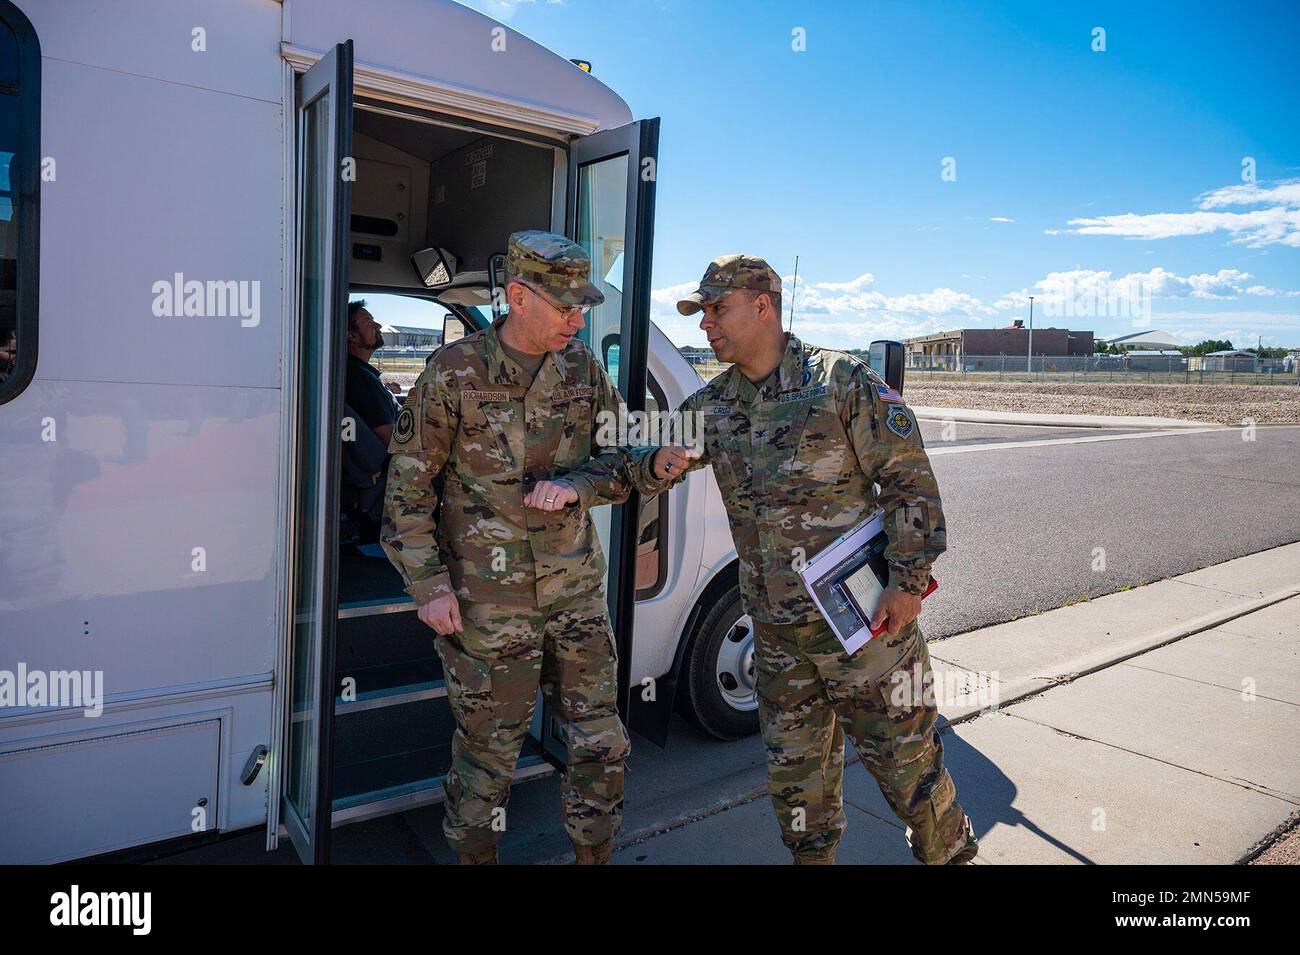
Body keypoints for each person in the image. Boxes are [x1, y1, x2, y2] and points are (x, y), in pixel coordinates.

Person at [632, 254, 978, 865]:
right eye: (701, 312)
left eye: (717, 309)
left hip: (867, 628)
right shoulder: (716, 405)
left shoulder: (841, 381)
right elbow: (646, 456)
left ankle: (948, 856)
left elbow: (909, 486)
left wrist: (906, 582)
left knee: (907, 770)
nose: (705, 324)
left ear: (762, 305)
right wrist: (630, 470)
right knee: (798, 784)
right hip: (777, 635)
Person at [381, 230, 643, 865]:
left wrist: (578, 487)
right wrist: (429, 586)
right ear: (519, 297)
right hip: (488, 606)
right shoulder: (454, 373)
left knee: (601, 744)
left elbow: (622, 462)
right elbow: (406, 491)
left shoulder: (583, 370)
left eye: (583, 305)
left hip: (574, 595)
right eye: (565, 306)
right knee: (487, 762)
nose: (578, 320)